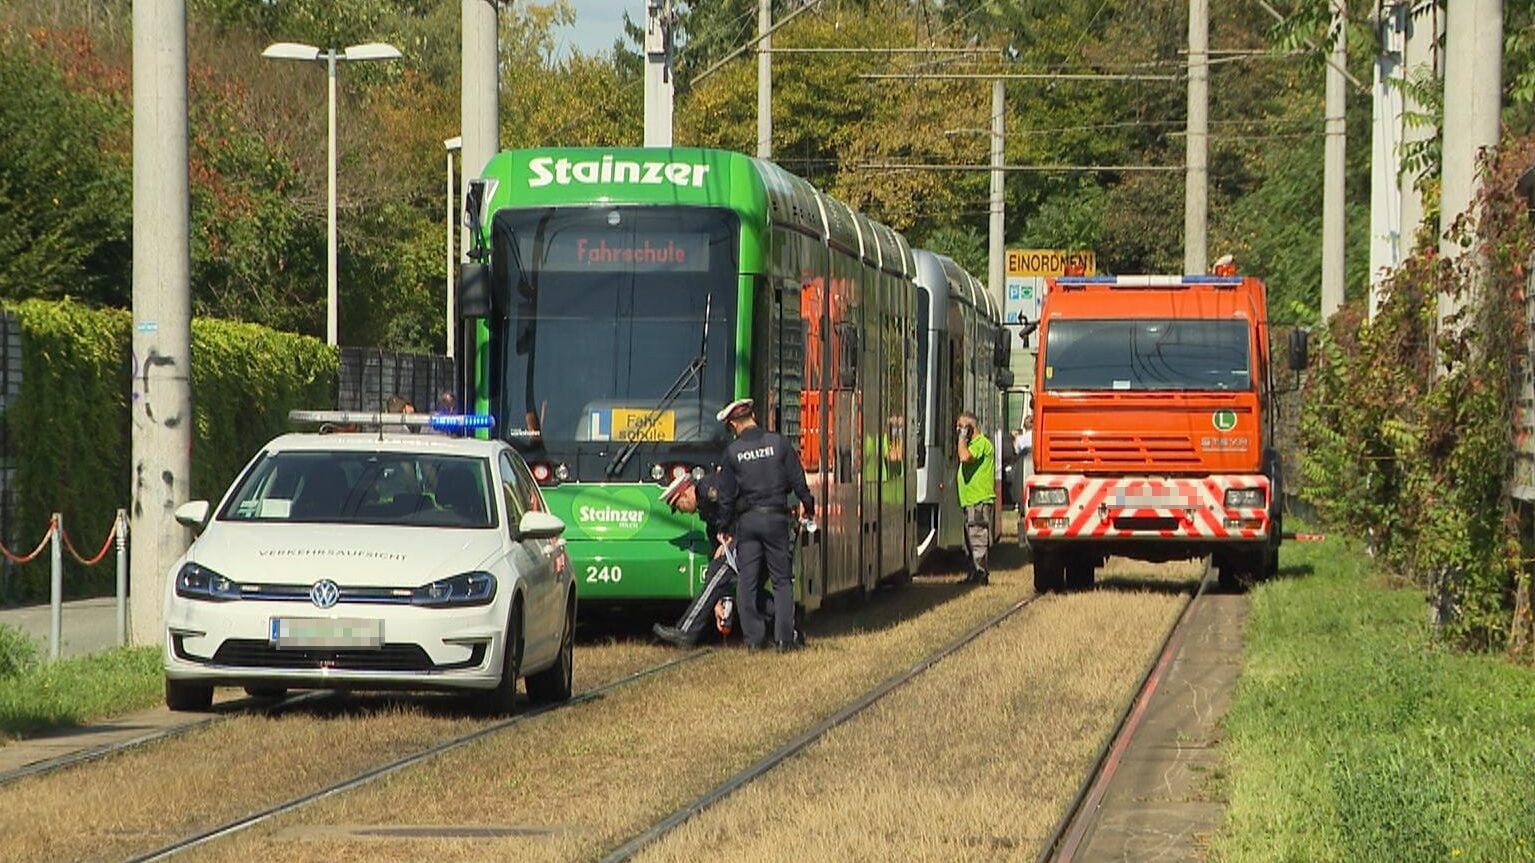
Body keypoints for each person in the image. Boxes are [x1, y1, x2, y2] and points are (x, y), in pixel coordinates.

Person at [716, 397, 816, 652]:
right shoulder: (778, 443)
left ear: (733, 425)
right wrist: (808, 505)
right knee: (782, 581)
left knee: (747, 582)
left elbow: (726, 496)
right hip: (776, 519)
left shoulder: (733, 453)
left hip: (748, 522)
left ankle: (754, 640)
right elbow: (797, 478)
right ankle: (784, 640)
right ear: (754, 417)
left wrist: (724, 528)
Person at [652, 470, 740, 648]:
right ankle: (788, 627)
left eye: (678, 506)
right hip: (748, 537)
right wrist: (716, 602)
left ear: (684, 494)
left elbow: (730, 502)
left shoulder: (707, 489)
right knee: (748, 594)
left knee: (720, 571)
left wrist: (728, 532)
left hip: (749, 534)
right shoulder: (708, 515)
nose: (682, 512)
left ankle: (686, 632)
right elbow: (715, 554)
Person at [956, 410, 994, 584]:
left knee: (977, 538)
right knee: (969, 539)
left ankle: (981, 573)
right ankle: (972, 572)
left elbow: (964, 457)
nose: (957, 431)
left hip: (978, 500)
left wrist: (962, 437)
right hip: (970, 500)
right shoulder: (974, 444)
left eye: (960, 427)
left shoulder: (981, 443)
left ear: (970, 428)